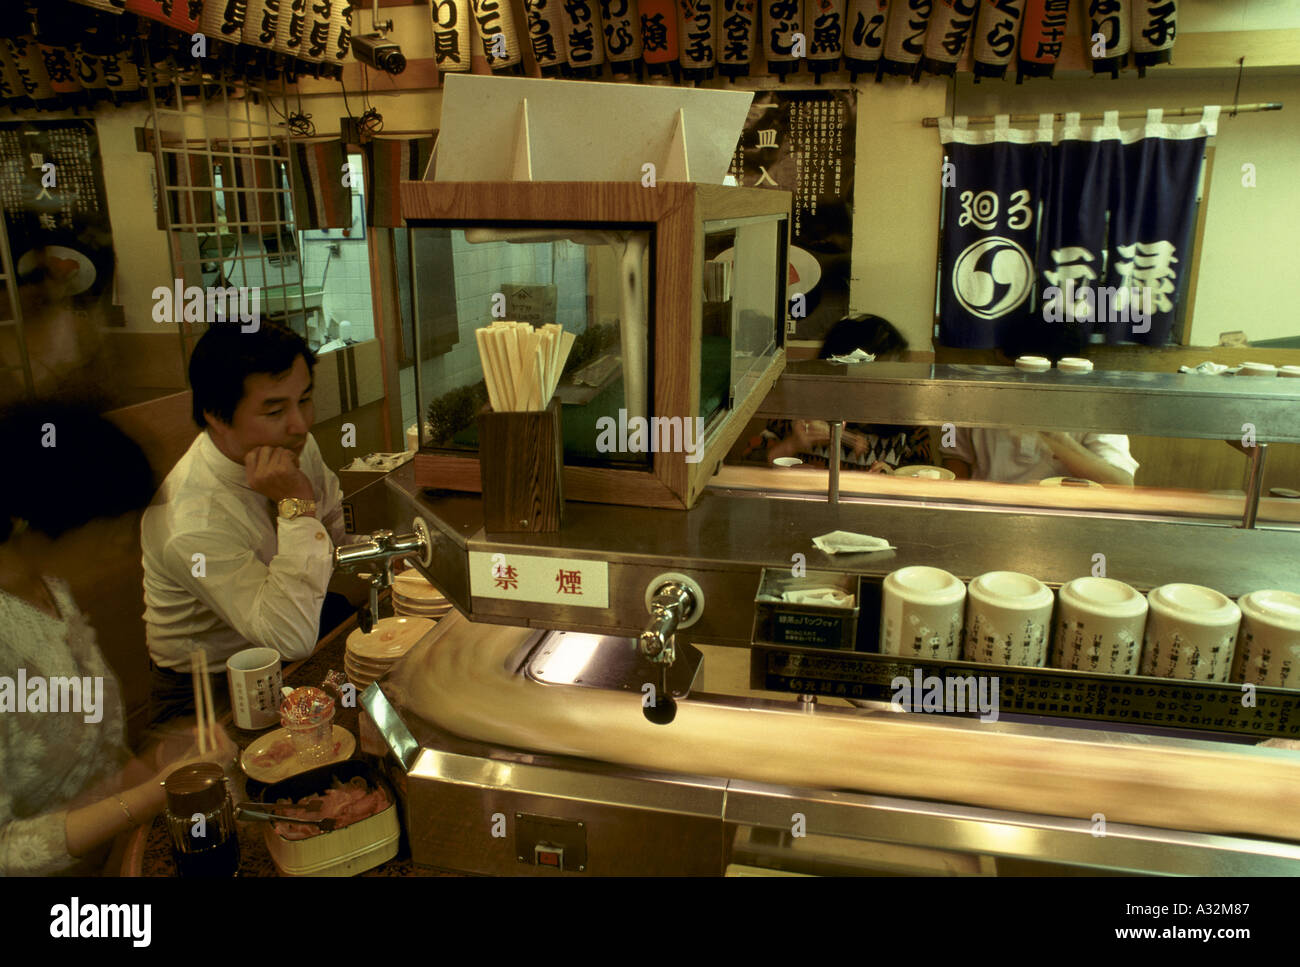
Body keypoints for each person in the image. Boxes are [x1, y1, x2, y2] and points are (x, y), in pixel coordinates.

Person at [0, 399, 235, 876]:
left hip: (114, 855)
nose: (126, 541)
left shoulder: (50, 587)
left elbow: (87, 772)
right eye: (112, 524)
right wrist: (152, 792)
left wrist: (156, 762)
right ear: (36, 520)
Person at [141, 323, 351, 725]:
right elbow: (291, 637)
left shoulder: (289, 445)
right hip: (207, 689)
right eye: (274, 411)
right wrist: (294, 505)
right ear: (216, 417)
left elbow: (335, 533)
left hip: (288, 637)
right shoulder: (190, 520)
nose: (300, 424)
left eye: (304, 400)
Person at [753, 314, 932, 472]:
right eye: (880, 374)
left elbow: (927, 483)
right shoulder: (798, 414)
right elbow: (748, 466)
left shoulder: (908, 427)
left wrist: (892, 480)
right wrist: (791, 445)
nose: (893, 386)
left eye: (896, 374)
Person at [940, 428, 1138, 486]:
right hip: (986, 511)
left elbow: (1122, 483)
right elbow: (954, 461)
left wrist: (1056, 438)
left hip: (1063, 517)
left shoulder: (1093, 405)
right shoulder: (979, 398)